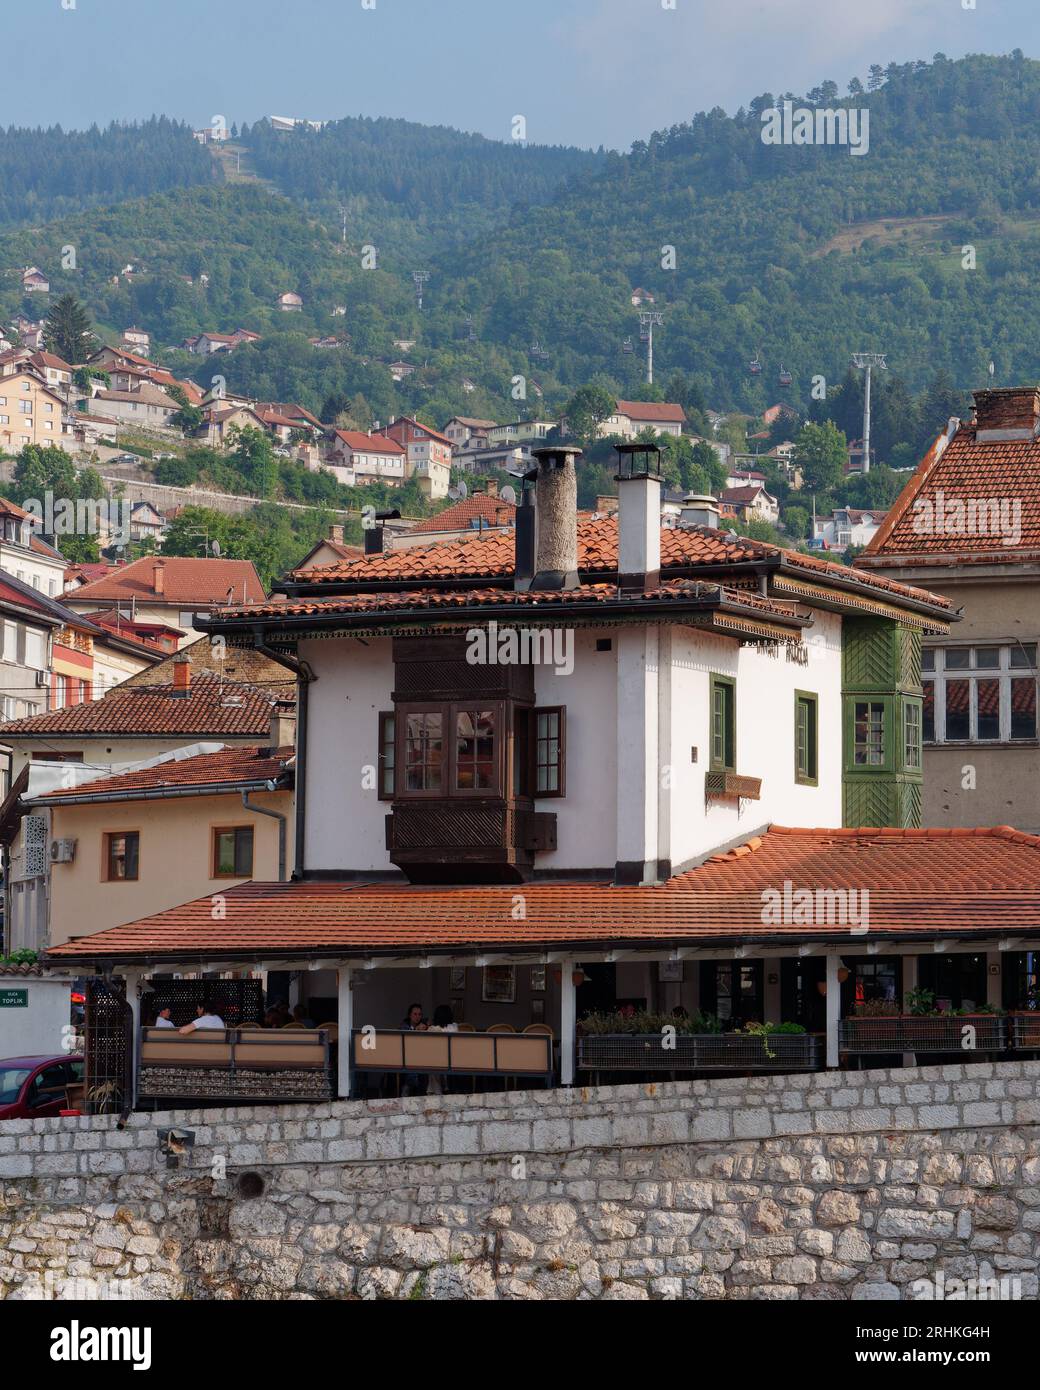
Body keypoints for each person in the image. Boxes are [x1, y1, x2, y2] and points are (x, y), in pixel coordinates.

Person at [426, 1005, 458, 1097]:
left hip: (437, 1059)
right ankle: (445, 1087)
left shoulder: (432, 1029)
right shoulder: (455, 1027)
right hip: (452, 1058)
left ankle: (436, 1091)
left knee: (432, 1063)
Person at [400, 1002, 428, 1096]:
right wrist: (416, 1031)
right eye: (415, 1014)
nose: (417, 1017)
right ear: (409, 1015)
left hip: (422, 1059)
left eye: (419, 1014)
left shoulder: (424, 1027)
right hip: (407, 1059)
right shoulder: (404, 1026)